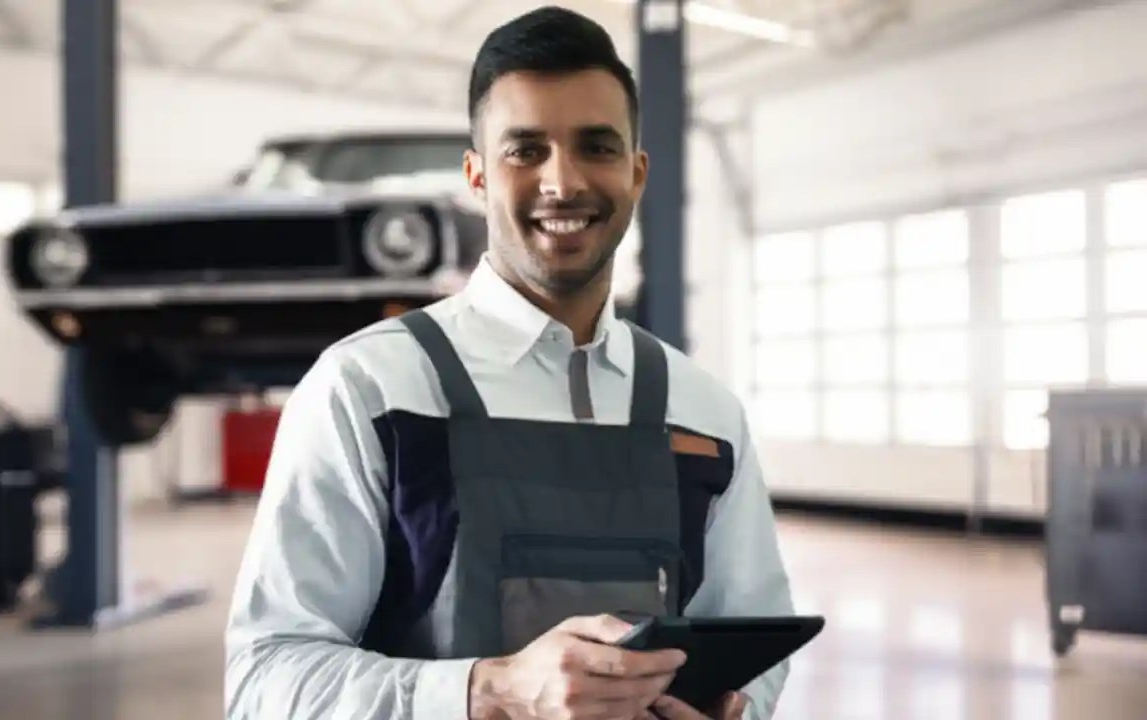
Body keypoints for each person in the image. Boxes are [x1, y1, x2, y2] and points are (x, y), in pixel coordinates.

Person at [225, 6, 794, 719]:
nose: (563, 182)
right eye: (525, 150)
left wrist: (732, 709)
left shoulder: (704, 412)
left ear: (638, 173)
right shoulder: (368, 390)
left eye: (597, 147)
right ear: (475, 176)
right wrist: (487, 692)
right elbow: (265, 680)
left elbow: (757, 650)